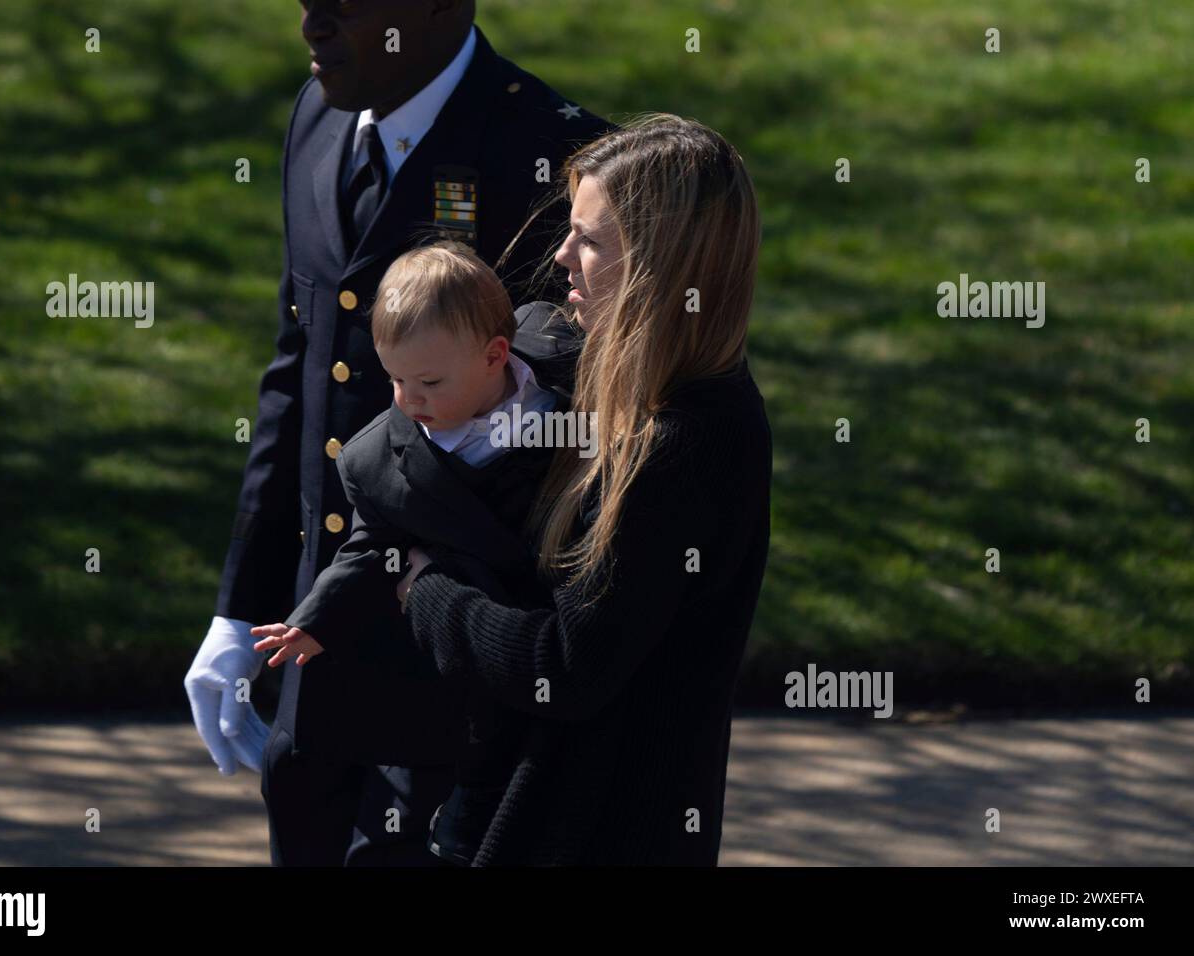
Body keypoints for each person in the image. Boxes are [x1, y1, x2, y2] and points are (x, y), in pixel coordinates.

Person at [182, 0, 610, 866]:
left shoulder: (554, 157)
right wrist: (243, 605)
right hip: (317, 642)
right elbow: (299, 368)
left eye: (344, 1)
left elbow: (569, 428)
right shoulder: (320, 117)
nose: (314, 23)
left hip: (449, 672)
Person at [395, 114, 773, 865]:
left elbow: (562, 667)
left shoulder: (682, 445)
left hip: (586, 832)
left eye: (591, 240)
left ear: (662, 267)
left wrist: (425, 590)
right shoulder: (623, 391)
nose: (563, 255)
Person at [247, 242, 583, 866]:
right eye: (394, 379)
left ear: (495, 357)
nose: (408, 399)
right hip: (464, 664)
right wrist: (318, 618)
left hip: (556, 632)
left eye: (428, 382)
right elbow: (371, 546)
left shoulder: (565, 372)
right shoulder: (380, 461)